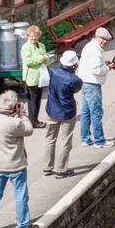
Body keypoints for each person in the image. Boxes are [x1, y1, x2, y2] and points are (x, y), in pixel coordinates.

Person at [0, 90, 37, 228]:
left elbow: (2, 116)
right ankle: (23, 225)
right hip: (16, 166)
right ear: (13, 108)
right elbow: (29, 129)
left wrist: (14, 113)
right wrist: (23, 114)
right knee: (20, 195)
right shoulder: (14, 123)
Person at [43, 49, 82, 178]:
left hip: (51, 110)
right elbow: (76, 90)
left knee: (50, 139)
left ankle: (47, 167)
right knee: (65, 141)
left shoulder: (52, 71)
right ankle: (60, 170)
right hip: (67, 112)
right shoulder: (74, 79)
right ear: (74, 65)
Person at [78, 27, 114, 149]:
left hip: (85, 82)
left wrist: (104, 64)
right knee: (96, 112)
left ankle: (85, 138)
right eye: (103, 39)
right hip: (92, 84)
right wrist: (109, 68)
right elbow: (97, 70)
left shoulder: (90, 46)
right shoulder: (94, 51)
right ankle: (99, 140)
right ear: (96, 36)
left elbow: (94, 65)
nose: (104, 41)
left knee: (86, 112)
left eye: (106, 40)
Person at [19, 25, 50, 128]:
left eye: (36, 36)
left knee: (37, 99)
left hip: (41, 76)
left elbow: (47, 59)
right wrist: (42, 58)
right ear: (28, 36)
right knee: (33, 100)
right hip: (31, 77)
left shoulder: (41, 45)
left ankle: (34, 120)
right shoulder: (25, 47)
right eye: (32, 36)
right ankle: (34, 122)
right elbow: (28, 61)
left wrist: (47, 58)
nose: (34, 38)